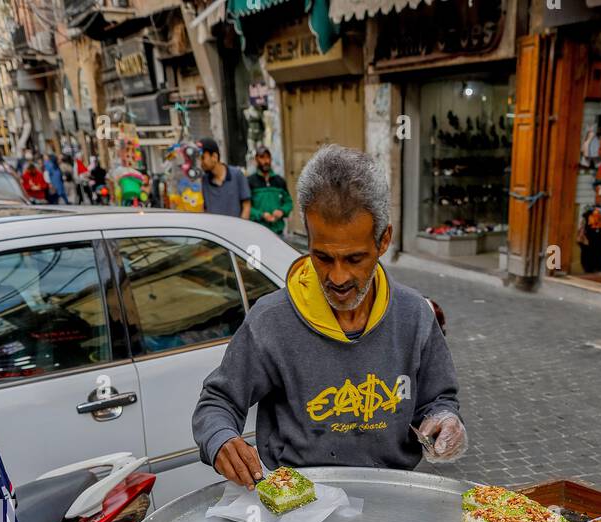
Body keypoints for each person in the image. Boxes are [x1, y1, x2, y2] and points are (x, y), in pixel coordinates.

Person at [192, 144, 466, 486]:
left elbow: (439, 398)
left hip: (394, 497)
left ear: (384, 241)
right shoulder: (272, 321)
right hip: (300, 505)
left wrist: (444, 419)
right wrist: (221, 440)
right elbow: (217, 402)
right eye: (322, 257)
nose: (337, 278)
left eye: (354, 259)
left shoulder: (414, 316)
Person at [199, 138, 250, 219]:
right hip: (213, 231)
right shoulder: (204, 181)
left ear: (214, 157)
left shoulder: (237, 175)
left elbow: (246, 205)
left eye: (202, 158)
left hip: (235, 229)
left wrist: (241, 228)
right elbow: (204, 209)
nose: (200, 163)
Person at [248, 144, 292, 235]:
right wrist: (262, 215)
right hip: (258, 232)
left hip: (278, 232)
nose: (266, 161)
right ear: (256, 159)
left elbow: (289, 202)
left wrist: (282, 211)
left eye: (268, 157)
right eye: (262, 157)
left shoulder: (279, 181)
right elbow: (247, 207)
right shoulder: (250, 181)